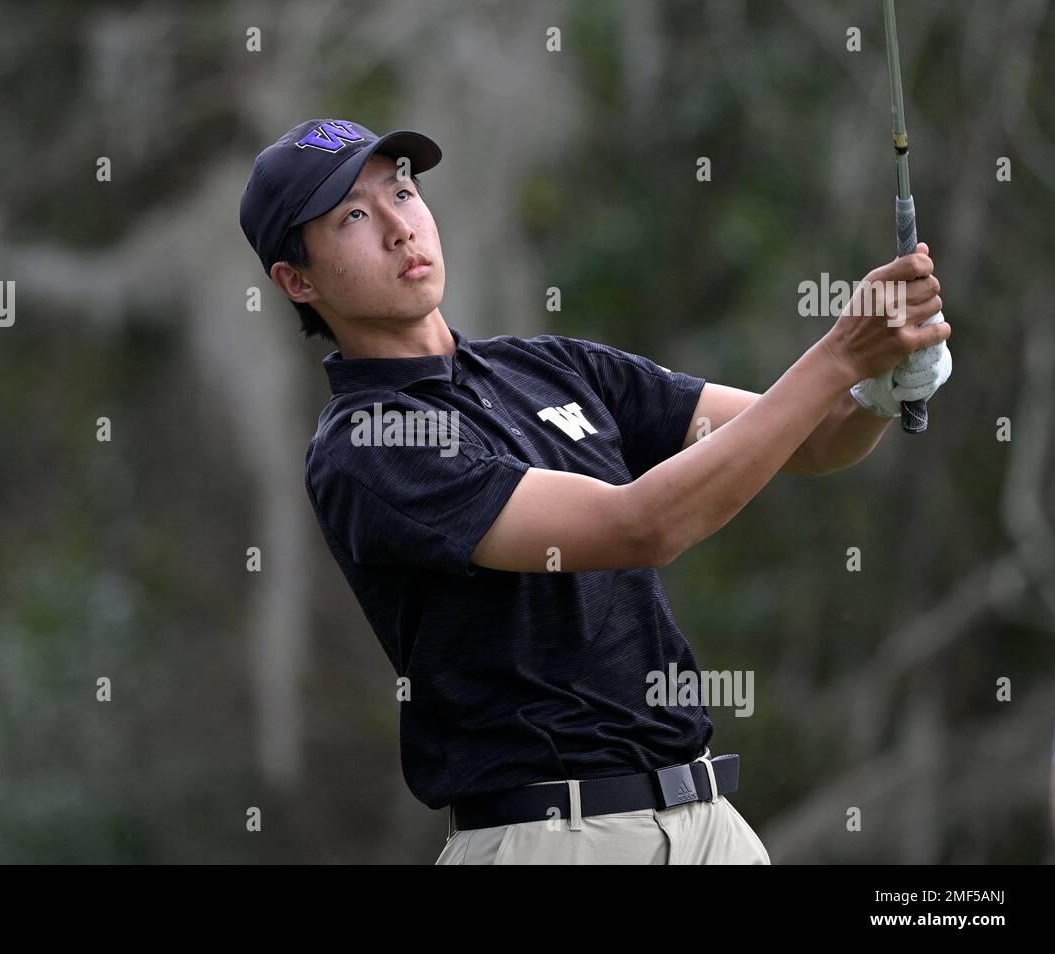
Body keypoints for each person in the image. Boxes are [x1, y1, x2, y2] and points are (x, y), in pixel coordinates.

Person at [238, 118, 952, 864]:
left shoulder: (550, 367)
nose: (398, 228)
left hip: (708, 820)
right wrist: (838, 356)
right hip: (551, 836)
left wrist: (875, 392)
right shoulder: (369, 442)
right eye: (354, 215)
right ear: (297, 280)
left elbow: (806, 437)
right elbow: (641, 527)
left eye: (404, 192)